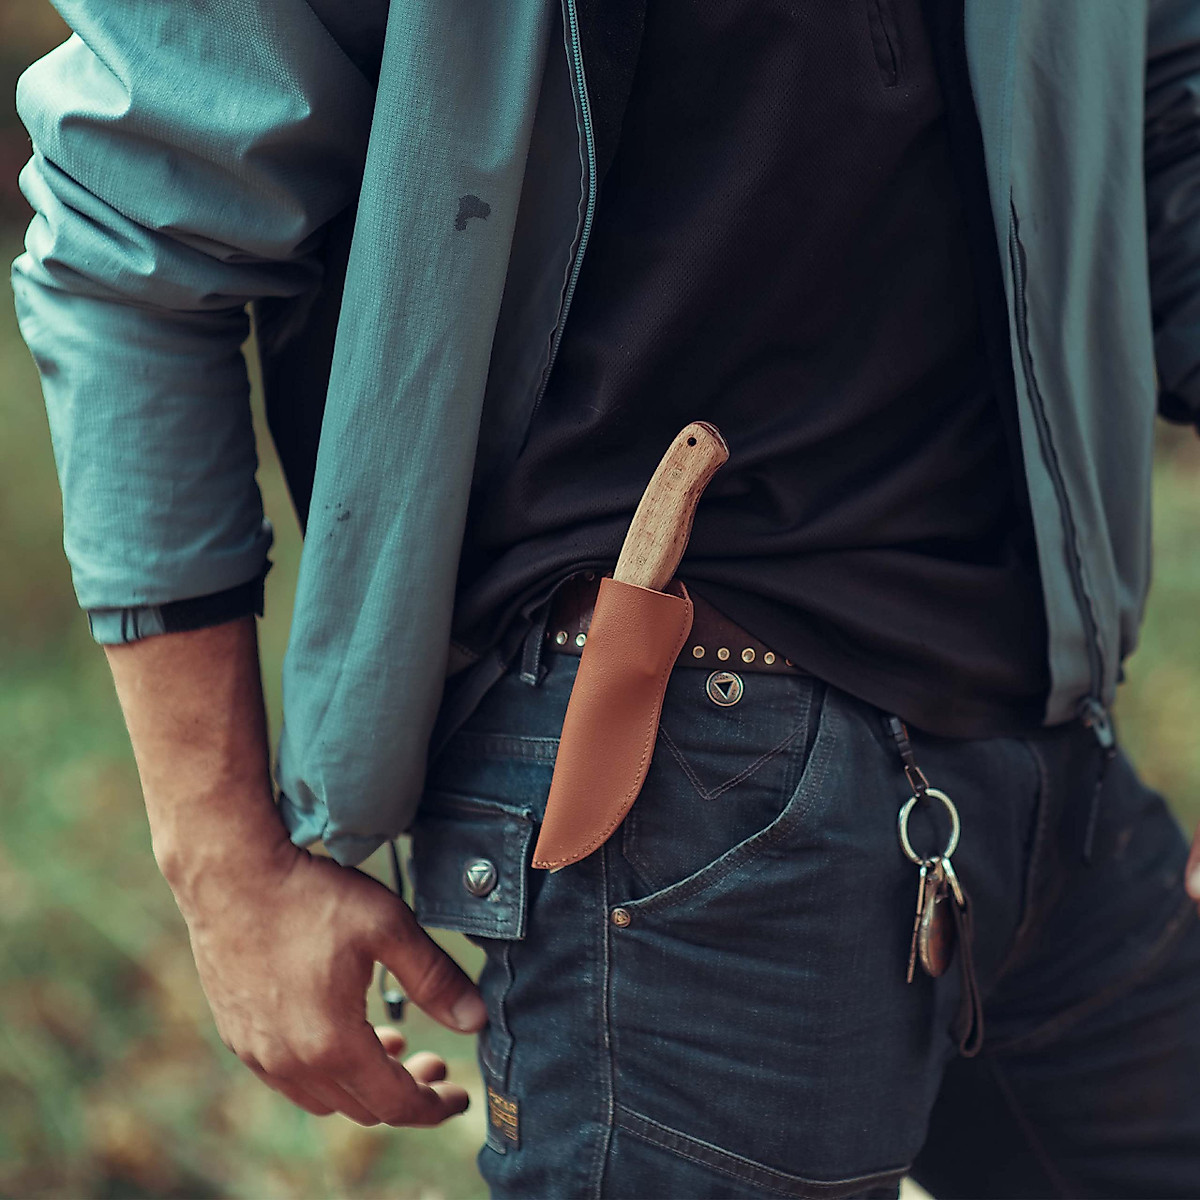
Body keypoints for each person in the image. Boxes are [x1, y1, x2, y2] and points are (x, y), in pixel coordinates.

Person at [12, 0, 1200, 1195]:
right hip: (679, 793)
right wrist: (225, 864)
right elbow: (133, 232)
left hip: (1050, 743)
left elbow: (1167, 123)